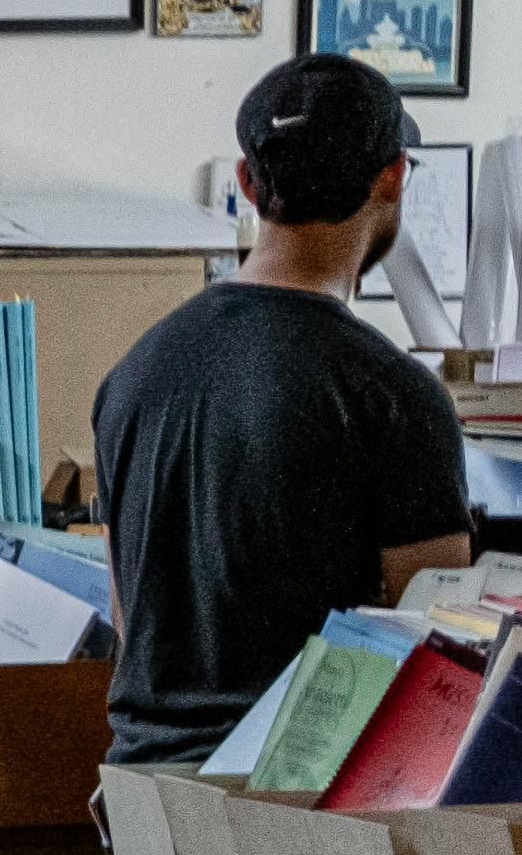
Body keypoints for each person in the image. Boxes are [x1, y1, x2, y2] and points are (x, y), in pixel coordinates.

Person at [89, 51, 474, 761]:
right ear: (392, 177)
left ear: (247, 182)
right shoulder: (395, 396)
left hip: (135, 791)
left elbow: (127, 614)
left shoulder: (132, 376)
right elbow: (439, 663)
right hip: (286, 801)